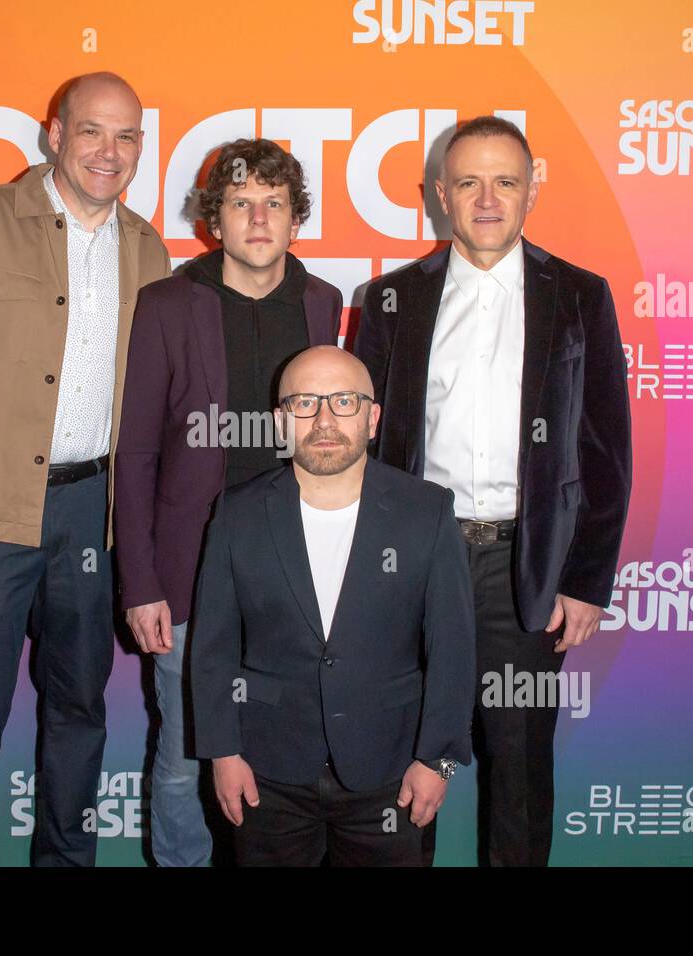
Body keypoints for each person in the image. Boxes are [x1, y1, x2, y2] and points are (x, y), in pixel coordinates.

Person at [0, 72, 171, 866]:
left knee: (80, 709)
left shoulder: (148, 246)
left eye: (126, 137)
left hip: (93, 512)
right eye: (90, 132)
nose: (108, 153)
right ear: (54, 134)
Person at [354, 116, 632, 866]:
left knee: (519, 773)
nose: (486, 200)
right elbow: (362, 452)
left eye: (505, 181)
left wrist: (583, 579)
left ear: (532, 190)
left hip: (527, 571)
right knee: (406, 765)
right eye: (468, 182)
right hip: (413, 566)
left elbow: (607, 453)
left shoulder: (579, 296)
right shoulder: (387, 299)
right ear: (440, 194)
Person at [115, 139, 342, 866]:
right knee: (185, 756)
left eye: (274, 203)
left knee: (277, 756)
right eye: (241, 202)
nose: (257, 218)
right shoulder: (167, 305)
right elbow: (138, 453)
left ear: (295, 217)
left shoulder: (321, 304)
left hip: (290, 576)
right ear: (214, 218)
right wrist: (141, 582)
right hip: (189, 576)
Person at [190, 346, 476, 866]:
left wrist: (436, 759)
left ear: (373, 418)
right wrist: (222, 752)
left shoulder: (427, 511)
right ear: (281, 422)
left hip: (391, 772)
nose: (324, 419)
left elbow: (453, 646)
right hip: (266, 771)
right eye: (304, 403)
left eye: (344, 401)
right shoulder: (237, 513)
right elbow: (213, 645)